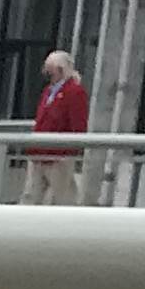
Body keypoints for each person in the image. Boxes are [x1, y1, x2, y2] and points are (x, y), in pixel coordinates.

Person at [24, 51, 90, 204]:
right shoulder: (48, 91)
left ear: (60, 69)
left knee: (63, 196)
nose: (46, 72)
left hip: (58, 155)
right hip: (39, 153)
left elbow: (78, 124)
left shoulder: (74, 92)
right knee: (30, 195)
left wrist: (70, 149)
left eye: (50, 68)